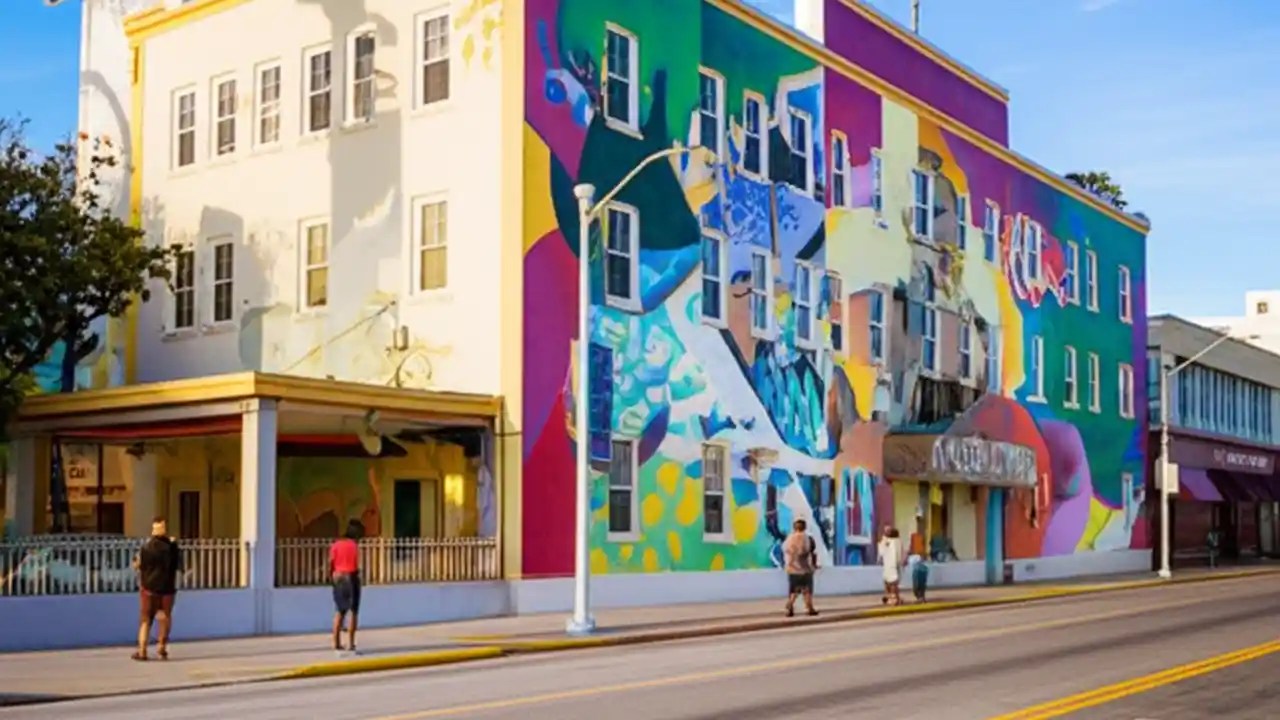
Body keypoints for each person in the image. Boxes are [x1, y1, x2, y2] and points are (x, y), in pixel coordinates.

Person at [133, 517, 182, 661]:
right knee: (165, 618)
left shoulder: (146, 547)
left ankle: (142, 650)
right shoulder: (172, 548)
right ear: (165, 529)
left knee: (145, 620)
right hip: (167, 589)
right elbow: (178, 566)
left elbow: (138, 565)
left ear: (153, 529)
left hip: (148, 589)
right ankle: (162, 648)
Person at [330, 519, 363, 652]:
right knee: (353, 612)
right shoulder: (354, 546)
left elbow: (331, 562)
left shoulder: (336, 544)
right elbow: (356, 565)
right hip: (351, 577)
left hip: (338, 577)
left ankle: (336, 642)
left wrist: (332, 576)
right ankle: (350, 643)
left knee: (339, 611)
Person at [783, 518, 819, 618]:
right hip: (805, 569)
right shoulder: (808, 538)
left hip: (792, 569)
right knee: (807, 590)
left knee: (794, 590)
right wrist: (814, 565)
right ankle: (810, 608)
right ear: (805, 527)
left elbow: (785, 551)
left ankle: (790, 605)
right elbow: (812, 553)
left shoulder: (789, 539)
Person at [878, 525, 905, 606]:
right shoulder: (893, 541)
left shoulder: (892, 541)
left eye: (888, 530)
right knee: (889, 583)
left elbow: (882, 552)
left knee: (892, 583)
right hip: (890, 565)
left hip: (891, 565)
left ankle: (893, 598)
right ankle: (895, 597)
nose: (887, 532)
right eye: (886, 530)